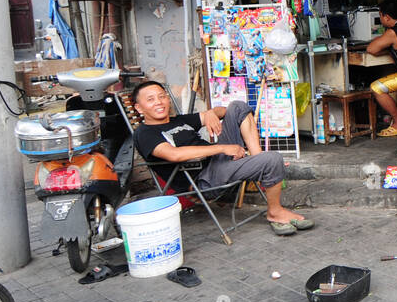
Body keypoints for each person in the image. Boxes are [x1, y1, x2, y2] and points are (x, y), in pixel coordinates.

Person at [130, 80, 312, 235]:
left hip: (219, 164)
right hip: (202, 180)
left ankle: (258, 160)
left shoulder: (179, 120)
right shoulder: (144, 133)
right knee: (272, 159)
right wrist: (222, 148)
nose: (159, 102)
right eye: (151, 99)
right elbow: (173, 154)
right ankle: (275, 211)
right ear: (139, 107)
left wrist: (210, 113)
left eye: (162, 96)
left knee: (238, 106)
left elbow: (223, 111)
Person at [366, 0, 397, 137]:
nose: (380, 19)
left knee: (376, 87)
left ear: (386, 17)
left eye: (380, 16)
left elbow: (371, 49)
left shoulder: (393, 32)